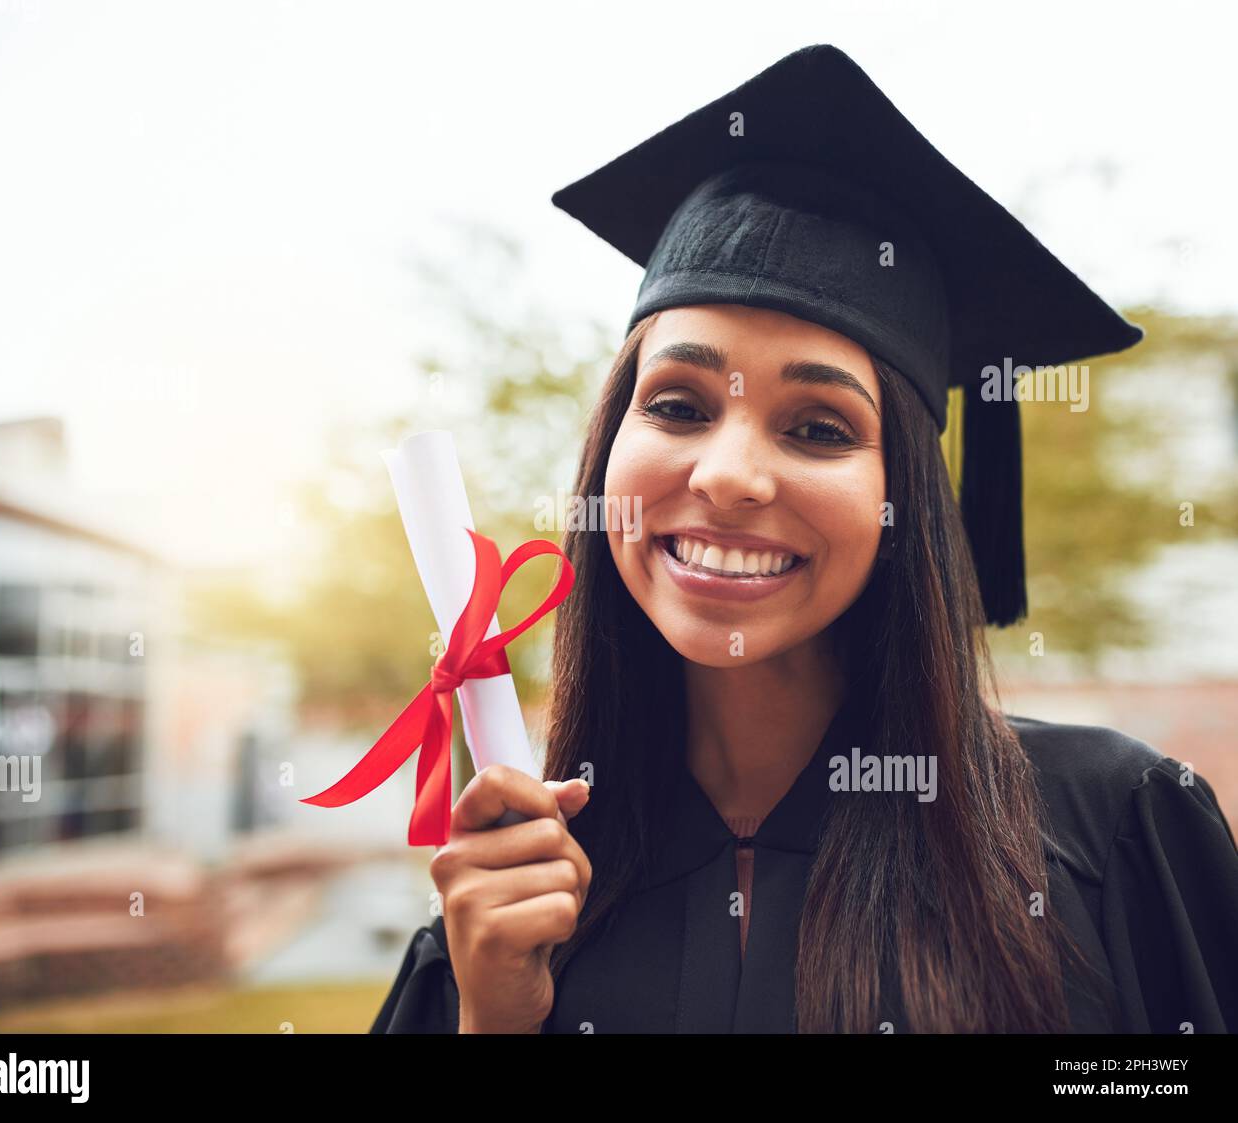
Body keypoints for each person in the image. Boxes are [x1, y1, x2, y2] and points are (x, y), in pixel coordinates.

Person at [370, 44, 1238, 1034]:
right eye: (680, 404)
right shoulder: (506, 911)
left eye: (818, 428)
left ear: (901, 494)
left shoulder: (1109, 835)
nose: (729, 472)